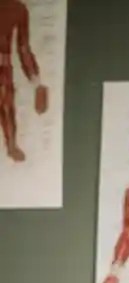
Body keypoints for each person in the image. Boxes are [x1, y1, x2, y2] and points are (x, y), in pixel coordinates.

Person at [0, 0, 49, 162]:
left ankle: (11, 145)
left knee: (7, 105)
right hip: (3, 68)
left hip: (4, 68)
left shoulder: (18, 9)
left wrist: (37, 83)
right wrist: (37, 83)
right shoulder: (18, 9)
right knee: (6, 105)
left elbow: (23, 49)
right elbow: (23, 49)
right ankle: (11, 145)